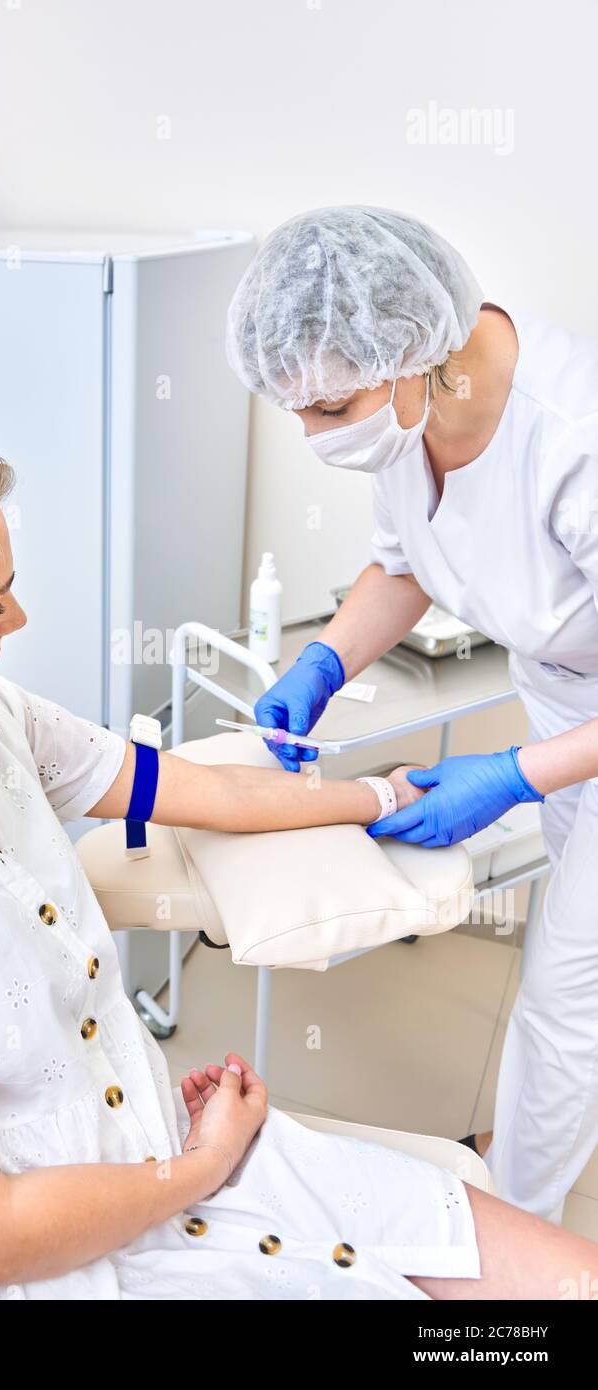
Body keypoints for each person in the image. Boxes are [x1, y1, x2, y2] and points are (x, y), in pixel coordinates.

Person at [0, 427, 595, 1301]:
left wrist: (379, 796)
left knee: (571, 1285)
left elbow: (195, 791)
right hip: (53, 1252)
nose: (19, 621)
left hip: (161, 1149)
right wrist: (204, 1164)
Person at [225, 204, 598, 1225]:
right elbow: (405, 565)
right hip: (571, 704)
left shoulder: (573, 437)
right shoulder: (411, 412)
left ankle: (519, 1234)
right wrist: (323, 657)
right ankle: (528, 1147)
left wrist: (513, 773)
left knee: (569, 998)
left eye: (328, 406)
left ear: (410, 350)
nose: (313, 436)